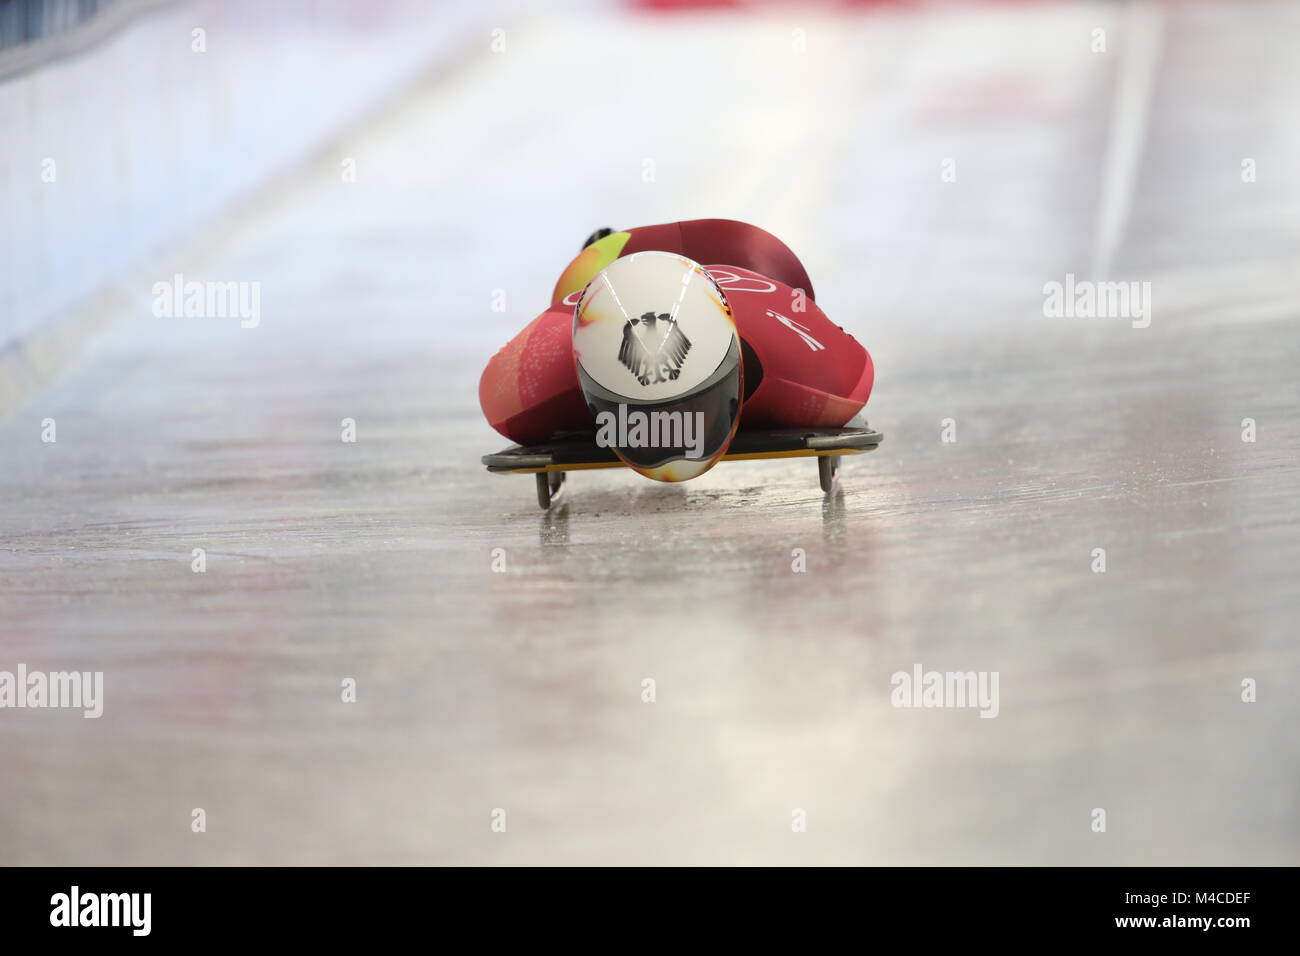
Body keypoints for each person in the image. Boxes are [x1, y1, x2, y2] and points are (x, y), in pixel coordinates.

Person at [479, 219, 874, 481]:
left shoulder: (824, 374)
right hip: (600, 278)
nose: (673, 438)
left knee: (785, 274)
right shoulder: (527, 385)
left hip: (747, 259)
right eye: (633, 414)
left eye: (699, 408)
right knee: (573, 282)